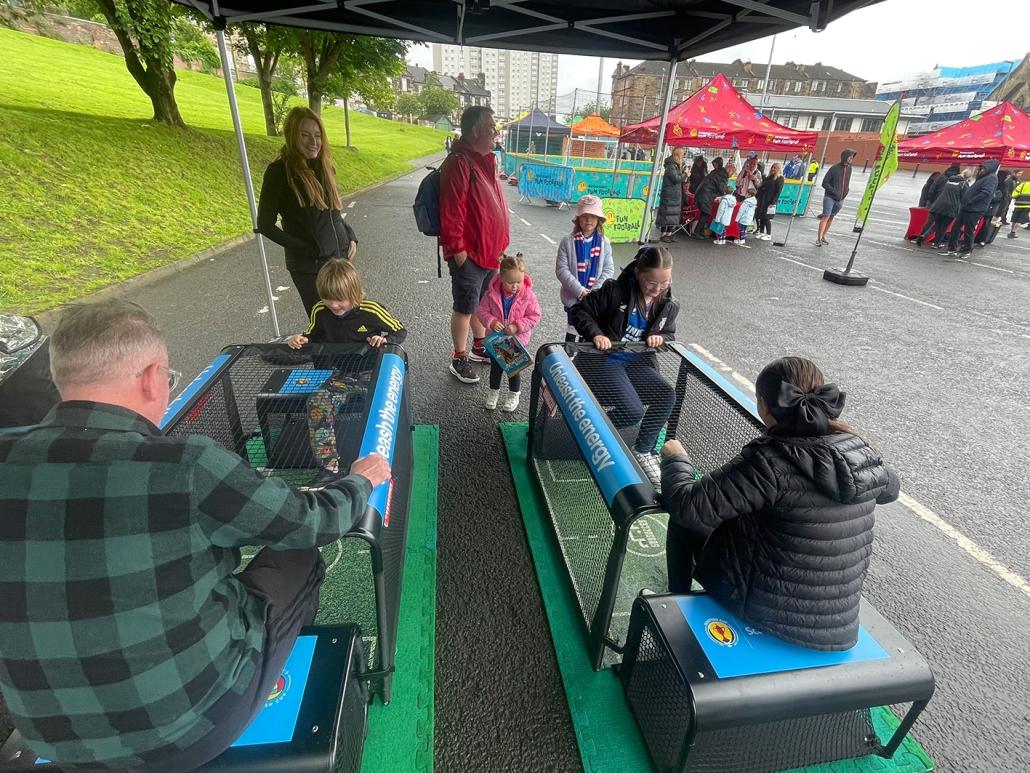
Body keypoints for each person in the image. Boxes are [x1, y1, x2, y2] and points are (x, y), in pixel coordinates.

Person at [0, 300, 391, 771]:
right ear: (150, 377)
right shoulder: (184, 465)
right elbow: (311, 521)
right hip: (193, 726)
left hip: (58, 741)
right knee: (299, 554)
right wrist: (361, 479)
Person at [659, 356, 900, 651]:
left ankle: (675, 608)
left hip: (770, 614)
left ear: (763, 404)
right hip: (837, 624)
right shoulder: (856, 447)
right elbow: (891, 489)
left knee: (685, 523)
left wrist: (676, 459)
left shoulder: (770, 460)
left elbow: (687, 505)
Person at [286, 259, 406, 488]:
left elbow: (400, 330)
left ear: (355, 293)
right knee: (317, 402)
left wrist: (384, 339)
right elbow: (311, 333)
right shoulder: (320, 311)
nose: (334, 306)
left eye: (340, 301)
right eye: (328, 300)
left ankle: (388, 465)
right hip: (342, 375)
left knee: (383, 409)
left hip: (374, 374)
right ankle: (329, 469)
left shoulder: (371, 309)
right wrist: (301, 339)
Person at [570, 246, 679, 486]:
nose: (658, 289)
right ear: (638, 273)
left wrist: (661, 338)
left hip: (635, 362)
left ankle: (643, 450)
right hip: (604, 362)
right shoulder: (615, 290)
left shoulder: (668, 303)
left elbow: (669, 333)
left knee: (666, 394)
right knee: (633, 410)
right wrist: (595, 333)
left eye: (665, 283)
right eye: (652, 283)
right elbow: (580, 312)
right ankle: (588, 435)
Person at [258, 106, 358, 316]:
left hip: (339, 260)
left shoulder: (325, 167)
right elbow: (265, 225)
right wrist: (305, 248)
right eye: (305, 135)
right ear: (292, 136)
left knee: (350, 319)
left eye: (317, 135)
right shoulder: (278, 172)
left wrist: (351, 237)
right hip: (309, 267)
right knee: (324, 324)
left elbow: (333, 213)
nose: (313, 142)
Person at [439, 105, 510, 384]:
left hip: (490, 254)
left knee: (481, 303)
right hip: (470, 255)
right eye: (491, 127)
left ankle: (479, 346)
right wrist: (457, 251)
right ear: (476, 131)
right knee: (465, 307)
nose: (495, 132)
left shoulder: (484, 160)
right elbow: (452, 210)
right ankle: (459, 355)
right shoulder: (460, 162)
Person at [476, 253, 542, 413]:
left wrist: (517, 326)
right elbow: (482, 310)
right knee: (496, 368)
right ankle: (493, 392)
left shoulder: (528, 295)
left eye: (518, 282)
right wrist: (491, 321)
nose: (514, 286)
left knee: (514, 369)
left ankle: (514, 394)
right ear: (500, 278)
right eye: (510, 282)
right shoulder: (491, 294)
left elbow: (535, 316)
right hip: (495, 339)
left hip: (515, 340)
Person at [556, 195, 615, 342]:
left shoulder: (604, 243)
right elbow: (562, 270)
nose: (589, 220)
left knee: (588, 329)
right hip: (573, 296)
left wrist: (593, 292)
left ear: (599, 220)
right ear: (578, 219)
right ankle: (568, 355)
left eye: (593, 217)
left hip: (595, 298)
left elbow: (608, 269)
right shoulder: (567, 242)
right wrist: (580, 291)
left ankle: (582, 359)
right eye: (585, 216)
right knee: (572, 327)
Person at [948, 160, 999, 258]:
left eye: (983, 168)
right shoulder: (982, 177)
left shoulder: (991, 178)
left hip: (976, 208)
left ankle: (967, 249)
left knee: (968, 229)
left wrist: (970, 200)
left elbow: (985, 193)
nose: (980, 170)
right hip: (967, 207)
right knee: (956, 227)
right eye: (981, 168)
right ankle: (952, 248)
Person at [908, 164, 960, 244]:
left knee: (929, 222)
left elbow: (932, 189)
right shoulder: (955, 181)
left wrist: (931, 200)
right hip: (946, 206)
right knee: (941, 225)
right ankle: (935, 241)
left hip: (935, 204)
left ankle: (921, 236)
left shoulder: (941, 176)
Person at [816, 148, 856, 246]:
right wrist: (834, 192)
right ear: (845, 157)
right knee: (826, 216)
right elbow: (825, 183)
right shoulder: (834, 168)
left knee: (831, 217)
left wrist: (845, 193)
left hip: (840, 199)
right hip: (830, 197)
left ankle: (823, 236)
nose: (851, 159)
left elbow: (846, 183)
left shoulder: (849, 169)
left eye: (852, 157)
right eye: (850, 157)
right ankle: (819, 238)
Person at [693, 157, 730, 237]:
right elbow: (721, 188)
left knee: (704, 213)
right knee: (706, 213)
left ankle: (701, 231)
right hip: (706, 195)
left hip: (701, 193)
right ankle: (697, 231)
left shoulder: (715, 173)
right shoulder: (722, 175)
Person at [657, 147, 687, 242]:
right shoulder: (670, 166)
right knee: (667, 214)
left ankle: (669, 234)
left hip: (675, 194)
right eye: (682, 155)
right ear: (678, 155)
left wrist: (683, 172)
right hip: (669, 195)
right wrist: (685, 174)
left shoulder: (675, 165)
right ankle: (663, 234)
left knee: (673, 215)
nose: (683, 157)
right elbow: (676, 179)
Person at [754, 162, 784, 241]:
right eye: (772, 167)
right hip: (763, 199)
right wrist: (757, 197)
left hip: (770, 200)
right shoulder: (769, 177)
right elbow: (761, 187)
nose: (773, 169)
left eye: (775, 168)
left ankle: (768, 234)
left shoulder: (780, 178)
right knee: (761, 216)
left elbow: (778, 191)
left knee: (767, 218)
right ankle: (761, 232)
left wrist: (773, 202)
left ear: (778, 169)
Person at [1007, 172, 1030, 238]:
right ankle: (1014, 233)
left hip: (1018, 204)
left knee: (1015, 219)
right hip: (1027, 206)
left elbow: (1014, 194)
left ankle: (1011, 231)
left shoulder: (1023, 184)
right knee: (1020, 220)